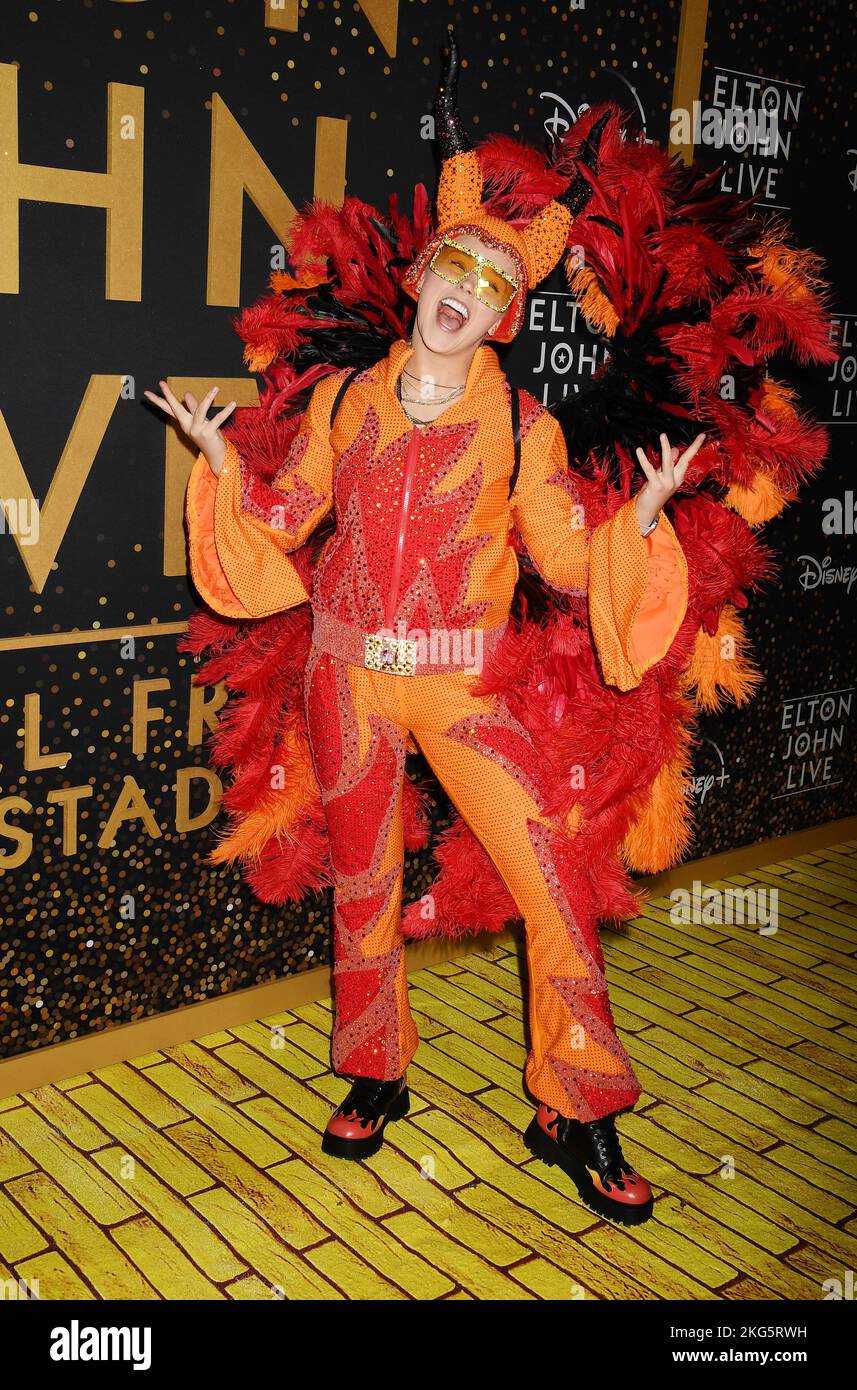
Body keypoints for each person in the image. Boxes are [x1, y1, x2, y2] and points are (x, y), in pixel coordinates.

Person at [146, 38, 706, 1229]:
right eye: (453, 267)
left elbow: (559, 557)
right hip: (345, 677)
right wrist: (216, 463)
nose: (464, 292)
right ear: (421, 278)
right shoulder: (347, 400)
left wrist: (640, 520)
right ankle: (373, 1070)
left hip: (462, 691)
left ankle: (576, 1103)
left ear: (504, 317)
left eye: (491, 286)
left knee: (551, 876)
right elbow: (289, 516)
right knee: (363, 879)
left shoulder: (522, 424)